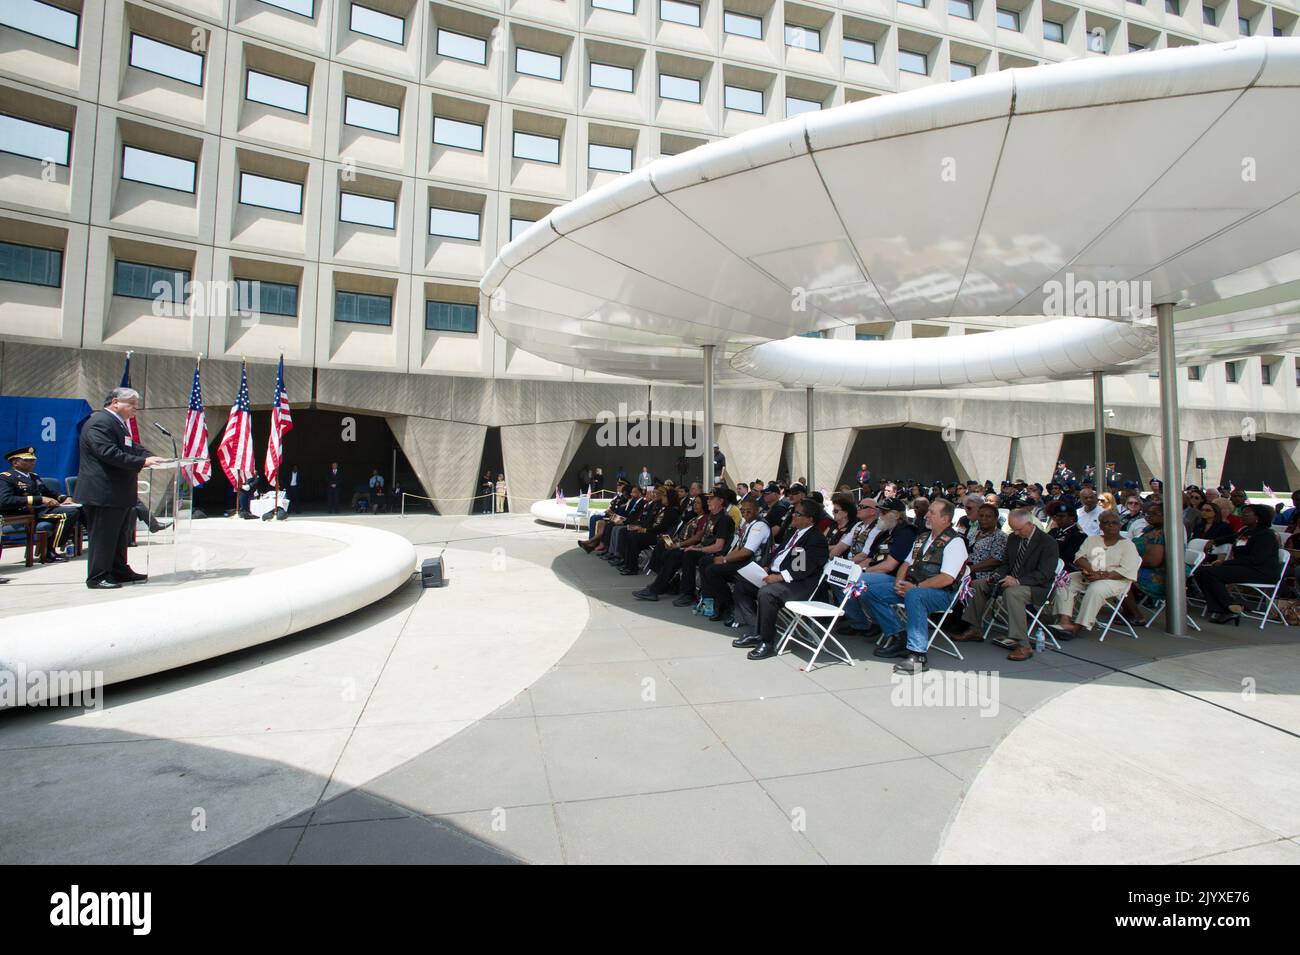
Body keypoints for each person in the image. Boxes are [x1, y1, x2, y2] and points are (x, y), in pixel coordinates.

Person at [856, 499, 968, 674]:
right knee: (869, 590)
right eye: (928, 511)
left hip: (940, 594)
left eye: (932, 513)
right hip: (912, 587)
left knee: (914, 596)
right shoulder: (923, 537)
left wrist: (914, 587)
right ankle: (899, 635)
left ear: (945, 519)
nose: (927, 515)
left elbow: (946, 578)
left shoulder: (955, 542)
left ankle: (918, 656)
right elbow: (906, 564)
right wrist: (899, 583)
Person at [76, 388, 164, 589]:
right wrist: (143, 462)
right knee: (104, 537)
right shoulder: (100, 422)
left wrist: (152, 456)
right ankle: (98, 577)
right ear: (115, 402)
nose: (135, 409)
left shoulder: (117, 424)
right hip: (103, 492)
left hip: (118, 492)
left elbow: (130, 447)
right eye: (132, 404)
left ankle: (118, 570)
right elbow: (107, 452)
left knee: (119, 535)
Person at [955, 508, 1060, 660]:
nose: (1016, 533)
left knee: (1013, 592)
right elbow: (1006, 564)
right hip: (1009, 580)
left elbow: (1045, 574)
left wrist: (1018, 581)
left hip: (1035, 586)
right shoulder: (1013, 538)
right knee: (978, 584)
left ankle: (1023, 644)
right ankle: (975, 628)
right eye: (1013, 529)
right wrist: (996, 575)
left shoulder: (1048, 542)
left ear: (1030, 524)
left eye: (1018, 529)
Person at [731, 498, 829, 660]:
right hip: (779, 576)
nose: (793, 516)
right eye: (793, 512)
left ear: (810, 518)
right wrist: (767, 567)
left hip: (799, 584)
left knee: (767, 593)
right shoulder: (794, 532)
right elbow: (779, 554)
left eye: (797, 514)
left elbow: (800, 568)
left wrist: (778, 577)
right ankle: (757, 631)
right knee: (742, 585)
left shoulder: (814, 539)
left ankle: (767, 641)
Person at [1053, 510, 1140, 635]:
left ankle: (1079, 625)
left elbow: (1127, 570)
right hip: (1090, 575)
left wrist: (1103, 576)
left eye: (1114, 523)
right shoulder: (1092, 540)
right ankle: (1064, 620)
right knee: (1064, 581)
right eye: (1106, 523)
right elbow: (1079, 557)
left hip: (1115, 580)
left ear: (1120, 525)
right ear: (1100, 526)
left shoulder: (1128, 545)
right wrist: (1092, 571)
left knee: (1096, 589)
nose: (1110, 526)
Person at [1194, 504, 1282, 624]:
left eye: (1246, 513)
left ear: (1258, 517)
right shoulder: (1247, 531)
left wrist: (1225, 563)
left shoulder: (1266, 535)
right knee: (1200, 572)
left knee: (1211, 573)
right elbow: (1232, 538)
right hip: (1245, 567)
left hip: (1261, 571)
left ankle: (1228, 607)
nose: (1242, 515)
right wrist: (1214, 541)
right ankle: (1227, 606)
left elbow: (1255, 559)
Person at [0, 446, 83, 563]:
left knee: (80, 509)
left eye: (33, 459)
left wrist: (64, 498)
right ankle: (51, 550)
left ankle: (99, 541)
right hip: (24, 512)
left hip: (40, 510)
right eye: (27, 460)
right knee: (69, 513)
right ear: (15, 462)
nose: (32, 462)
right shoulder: (6, 478)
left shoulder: (33, 476)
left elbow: (48, 492)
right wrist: (39, 499)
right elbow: (5, 500)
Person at [699, 498, 771, 623]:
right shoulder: (748, 523)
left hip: (752, 567)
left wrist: (725, 559)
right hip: (743, 563)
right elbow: (739, 546)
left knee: (712, 570)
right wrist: (725, 559)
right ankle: (709, 603)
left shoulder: (759, 526)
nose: (745, 513)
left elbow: (746, 552)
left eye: (749, 510)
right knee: (705, 562)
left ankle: (728, 606)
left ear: (757, 510)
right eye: (743, 510)